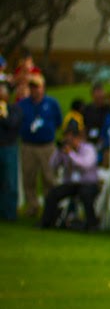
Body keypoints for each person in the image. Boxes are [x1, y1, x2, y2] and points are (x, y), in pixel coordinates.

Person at [40, 120, 100, 230]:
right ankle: (47, 222)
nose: (69, 140)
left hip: (88, 183)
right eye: (67, 137)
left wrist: (71, 154)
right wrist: (59, 152)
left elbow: (85, 165)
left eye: (71, 137)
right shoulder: (64, 150)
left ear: (78, 138)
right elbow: (53, 165)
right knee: (53, 193)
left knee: (86, 194)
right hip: (71, 184)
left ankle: (92, 224)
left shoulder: (88, 149)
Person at [17, 71, 61, 217]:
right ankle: (32, 206)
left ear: (43, 87)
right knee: (29, 177)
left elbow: (58, 122)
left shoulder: (52, 103)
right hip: (28, 145)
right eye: (32, 87)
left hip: (47, 146)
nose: (34, 89)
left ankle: (50, 207)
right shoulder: (23, 104)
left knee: (49, 177)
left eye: (37, 86)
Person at [0, 81, 21, 220]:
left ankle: (10, 213)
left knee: (10, 182)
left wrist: (3, 115)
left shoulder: (14, 109)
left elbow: (12, 124)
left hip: (9, 148)